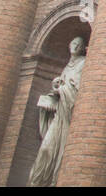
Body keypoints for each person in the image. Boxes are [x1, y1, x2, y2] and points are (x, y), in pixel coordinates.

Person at [29, 35, 86, 187]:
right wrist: (56, 87)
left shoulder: (83, 63)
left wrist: (63, 89)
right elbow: (64, 88)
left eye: (78, 44)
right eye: (73, 43)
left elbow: (76, 90)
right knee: (46, 149)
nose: (74, 46)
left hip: (67, 116)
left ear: (83, 48)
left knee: (58, 150)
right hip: (58, 114)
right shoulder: (67, 66)